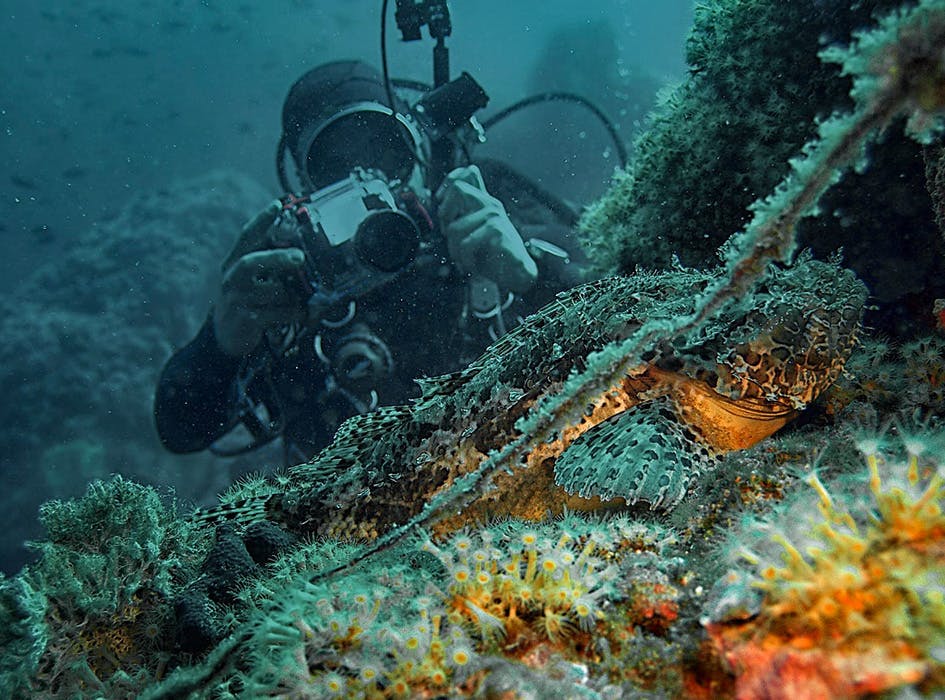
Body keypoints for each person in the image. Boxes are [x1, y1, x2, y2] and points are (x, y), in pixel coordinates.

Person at [154, 60, 586, 464]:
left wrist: (530, 272)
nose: (366, 180)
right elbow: (182, 431)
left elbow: (629, 307)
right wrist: (222, 342)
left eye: (383, 152)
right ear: (307, 188)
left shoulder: (482, 202)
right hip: (353, 527)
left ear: (418, 148)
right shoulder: (294, 276)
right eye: (335, 168)